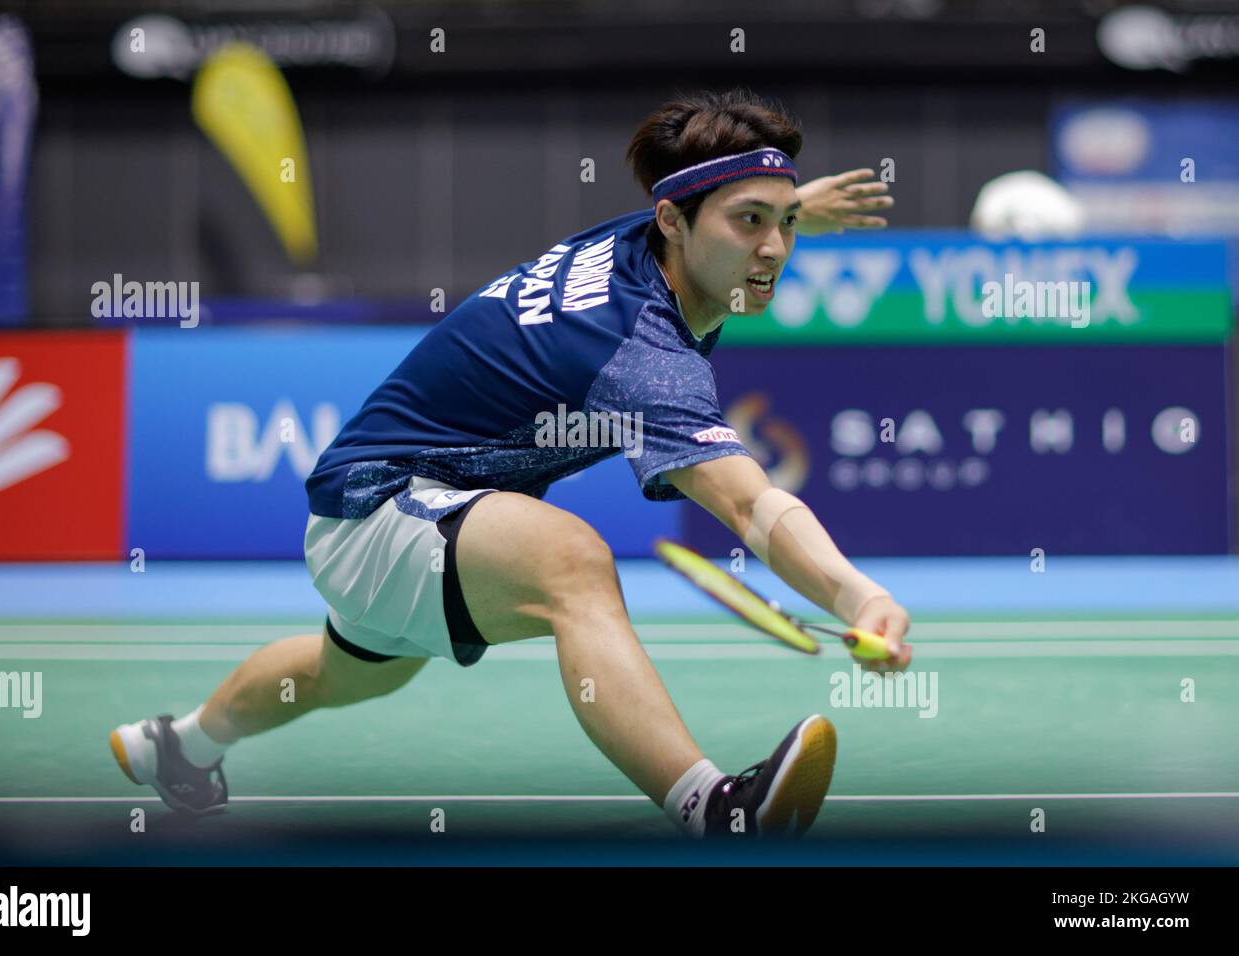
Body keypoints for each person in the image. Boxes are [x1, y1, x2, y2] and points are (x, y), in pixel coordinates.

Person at [110, 88, 912, 838]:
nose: (774, 249)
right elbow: (746, 505)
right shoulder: (639, 351)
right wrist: (859, 595)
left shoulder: (644, 236)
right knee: (573, 563)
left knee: (343, 671)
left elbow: (718, 211)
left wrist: (785, 206)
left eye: (785, 222)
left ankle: (179, 745)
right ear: (673, 221)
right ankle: (716, 809)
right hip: (383, 501)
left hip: (394, 513)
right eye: (750, 222)